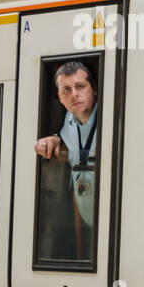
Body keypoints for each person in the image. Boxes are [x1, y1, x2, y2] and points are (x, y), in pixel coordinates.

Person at [33, 62, 99, 233]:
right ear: (60, 98)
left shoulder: (111, 119)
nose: (74, 95)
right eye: (66, 90)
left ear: (95, 89)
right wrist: (54, 138)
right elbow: (64, 136)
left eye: (80, 86)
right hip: (88, 225)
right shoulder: (69, 119)